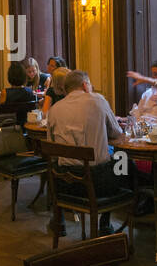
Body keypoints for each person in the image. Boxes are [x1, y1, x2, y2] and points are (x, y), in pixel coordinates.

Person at [46, 69, 124, 232]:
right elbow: (116, 133)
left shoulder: (54, 110)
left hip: (64, 183)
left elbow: (52, 150)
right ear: (85, 85)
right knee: (123, 159)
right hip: (98, 183)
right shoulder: (98, 101)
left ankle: (59, 220)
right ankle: (105, 221)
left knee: (56, 165)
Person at [2, 61, 37, 126]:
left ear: (9, 76)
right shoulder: (29, 91)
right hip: (26, 125)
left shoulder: (5, 92)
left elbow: (1, 112)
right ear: (24, 76)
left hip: (8, 127)